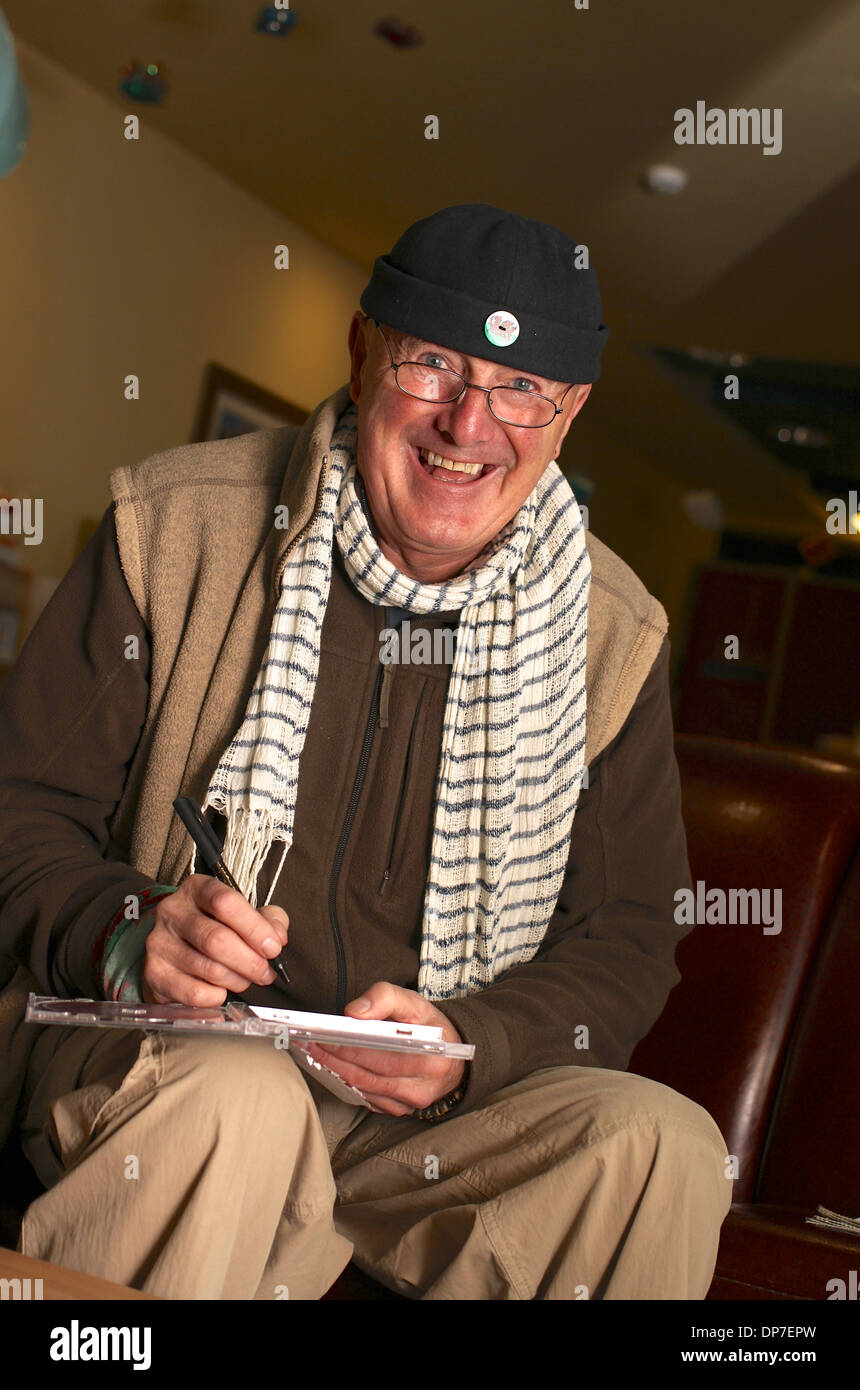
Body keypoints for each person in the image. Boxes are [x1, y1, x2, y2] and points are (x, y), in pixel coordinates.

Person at [0, 204, 732, 1299]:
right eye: (432, 362)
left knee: (656, 1142)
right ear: (362, 352)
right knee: (235, 1096)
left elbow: (626, 938)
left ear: (567, 413)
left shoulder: (613, 637)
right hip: (170, 1054)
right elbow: (19, 808)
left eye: (521, 387)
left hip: (434, 1117)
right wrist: (131, 924)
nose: (467, 423)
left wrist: (469, 1039)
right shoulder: (175, 524)